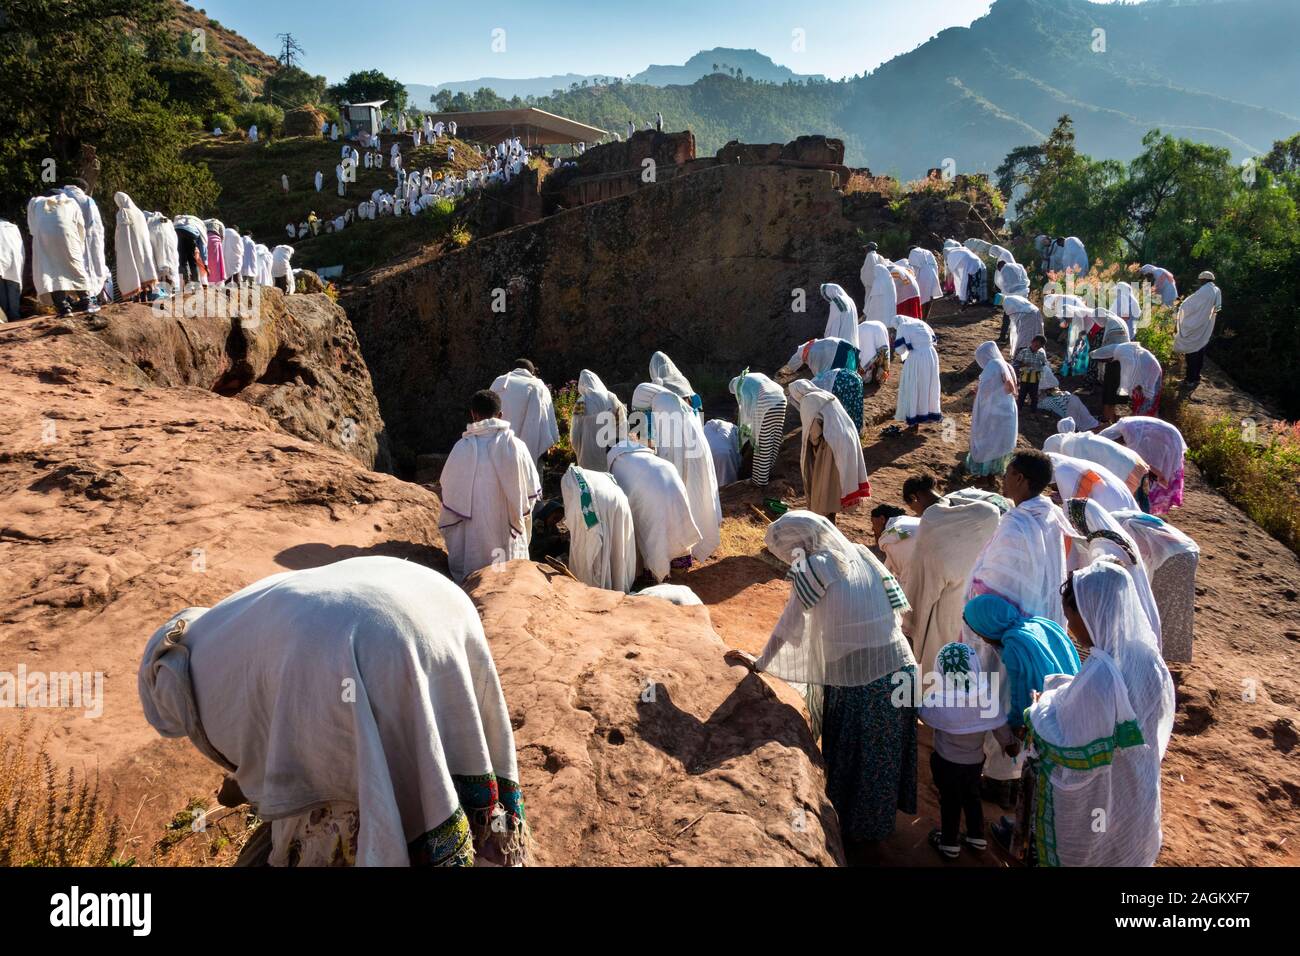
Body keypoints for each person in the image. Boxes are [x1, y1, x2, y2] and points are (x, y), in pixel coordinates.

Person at [138, 556, 529, 867]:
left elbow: (283, 764)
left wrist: (248, 786)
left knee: (342, 811)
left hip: (371, 640)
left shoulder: (203, 691)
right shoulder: (232, 621)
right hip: (435, 602)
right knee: (423, 750)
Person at [725, 512, 917, 844]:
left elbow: (789, 623)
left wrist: (759, 663)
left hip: (863, 681)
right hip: (900, 667)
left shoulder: (816, 566)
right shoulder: (860, 551)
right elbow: (896, 605)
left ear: (800, 544)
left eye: (786, 550)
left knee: (854, 757)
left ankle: (847, 838)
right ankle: (874, 831)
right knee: (880, 757)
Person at [1019, 560, 1173, 866]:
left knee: (1093, 852)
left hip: (1102, 792)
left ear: (1092, 611)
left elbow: (1067, 739)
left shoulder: (1103, 669)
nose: (1070, 627)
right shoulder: (1146, 656)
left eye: (1072, 617)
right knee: (1120, 850)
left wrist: (1037, 709)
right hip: (1136, 784)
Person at [962, 591, 1081, 811]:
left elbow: (1023, 691)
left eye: (979, 633)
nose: (981, 639)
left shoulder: (1014, 646)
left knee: (1030, 754)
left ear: (988, 627)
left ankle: (1006, 793)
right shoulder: (1039, 623)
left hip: (1047, 710)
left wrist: (1017, 721)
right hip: (1070, 697)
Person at [920, 642, 1017, 859]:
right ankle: (976, 836)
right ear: (974, 666)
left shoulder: (939, 700)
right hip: (974, 763)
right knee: (972, 796)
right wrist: (1011, 745)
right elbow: (1002, 731)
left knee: (950, 801)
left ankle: (949, 843)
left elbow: (924, 715)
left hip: (946, 763)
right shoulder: (986, 700)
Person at [438, 389, 542, 583]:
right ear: (501, 415)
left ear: (473, 414)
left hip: (473, 532)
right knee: (508, 578)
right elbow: (531, 492)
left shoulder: (461, 448)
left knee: (475, 580)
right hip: (507, 531)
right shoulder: (517, 446)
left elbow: (449, 489)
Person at [634, 352, 722, 562]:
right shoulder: (689, 390)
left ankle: (681, 552)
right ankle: (696, 544)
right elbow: (698, 418)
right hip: (696, 446)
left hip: (675, 451)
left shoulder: (658, 393)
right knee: (696, 492)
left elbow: (648, 432)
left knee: (677, 495)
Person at [907, 491, 1002, 673]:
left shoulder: (937, 533)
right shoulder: (990, 534)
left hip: (944, 616)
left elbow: (923, 591)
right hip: (974, 622)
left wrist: (914, 627)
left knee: (937, 667)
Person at [1062, 497, 1161, 645]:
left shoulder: (1102, 544)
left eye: (1073, 523)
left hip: (1118, 606)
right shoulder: (1113, 536)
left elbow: (1101, 580)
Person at [607, 440, 701, 582]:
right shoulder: (645, 455)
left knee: (651, 531)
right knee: (675, 520)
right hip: (670, 474)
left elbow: (623, 507)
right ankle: (678, 565)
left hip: (651, 494)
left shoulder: (617, 465)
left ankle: (655, 576)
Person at [789, 379, 870, 521]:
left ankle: (827, 523)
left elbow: (814, 431)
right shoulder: (824, 394)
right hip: (848, 439)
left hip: (831, 445)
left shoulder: (808, 400)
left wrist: (814, 446)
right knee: (837, 482)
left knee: (824, 486)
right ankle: (831, 518)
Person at [561, 464, 637, 593]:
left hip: (591, 501)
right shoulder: (597, 477)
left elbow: (572, 518)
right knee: (617, 546)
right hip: (619, 500)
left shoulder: (568, 482)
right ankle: (617, 586)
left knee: (587, 545)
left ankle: (593, 590)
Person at [1101, 416, 1188, 515]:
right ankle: (1142, 507)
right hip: (1163, 431)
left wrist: (1160, 476)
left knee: (1143, 477)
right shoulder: (1121, 431)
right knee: (1141, 477)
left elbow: (1146, 465)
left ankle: (1142, 511)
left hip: (1165, 436)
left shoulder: (1135, 440)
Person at [27, 189, 92, 315]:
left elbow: (33, 229)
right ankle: (86, 301)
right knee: (75, 267)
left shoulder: (35, 203)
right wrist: (79, 247)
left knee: (51, 270)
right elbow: (80, 226)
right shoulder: (71, 202)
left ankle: (64, 307)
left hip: (45, 239)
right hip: (68, 236)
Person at [1045, 419, 1150, 497]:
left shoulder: (1070, 447)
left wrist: (1065, 496)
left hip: (1124, 470)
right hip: (1133, 461)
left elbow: (1084, 478)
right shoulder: (1077, 439)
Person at [490, 360, 560, 463]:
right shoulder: (538, 386)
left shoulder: (498, 382)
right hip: (528, 453)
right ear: (532, 372)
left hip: (496, 450)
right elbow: (548, 425)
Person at [966, 341, 1018, 477]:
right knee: (999, 441)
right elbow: (1007, 389)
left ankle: (984, 474)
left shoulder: (993, 365)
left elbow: (988, 390)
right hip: (1007, 411)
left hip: (993, 412)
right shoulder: (1007, 366)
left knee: (987, 440)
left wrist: (978, 392)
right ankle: (993, 473)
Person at [729, 370, 787, 486]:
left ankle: (759, 481)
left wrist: (747, 429)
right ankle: (768, 472)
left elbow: (745, 408)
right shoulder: (754, 376)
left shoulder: (739, 384)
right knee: (774, 437)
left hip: (765, 403)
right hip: (781, 400)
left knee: (762, 443)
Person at [61, 180, 109, 305]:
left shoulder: (61, 197)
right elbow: (94, 223)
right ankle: (90, 298)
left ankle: (71, 300)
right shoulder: (87, 200)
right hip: (89, 239)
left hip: (68, 239)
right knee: (90, 268)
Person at [570, 369, 626, 472]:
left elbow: (575, 431)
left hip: (587, 456)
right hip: (610, 452)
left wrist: (577, 449)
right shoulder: (612, 398)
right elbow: (622, 425)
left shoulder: (581, 402)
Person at [892, 316, 942, 430]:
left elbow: (899, 350)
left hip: (917, 358)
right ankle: (926, 413)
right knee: (928, 385)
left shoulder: (903, 327)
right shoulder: (921, 323)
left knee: (914, 385)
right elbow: (933, 340)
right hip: (931, 356)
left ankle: (914, 418)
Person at [1047, 451, 1139, 513]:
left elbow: (1073, 512)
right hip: (1121, 499)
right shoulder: (1074, 464)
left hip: (1112, 507)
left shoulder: (1063, 471)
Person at [1173, 271, 1222, 387]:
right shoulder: (1216, 290)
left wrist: (1181, 306)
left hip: (1195, 326)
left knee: (1191, 353)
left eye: (1200, 280)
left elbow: (1188, 305)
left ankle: (1189, 380)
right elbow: (1217, 308)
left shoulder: (1204, 291)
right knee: (1200, 351)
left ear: (1204, 280)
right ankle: (1196, 378)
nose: (1199, 282)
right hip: (1206, 326)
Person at [1090, 340, 1163, 416]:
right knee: (1140, 401)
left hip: (1153, 372)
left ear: (1108, 356)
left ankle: (1145, 422)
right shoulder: (1119, 349)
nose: (1107, 362)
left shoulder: (1124, 355)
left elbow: (1127, 376)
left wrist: (1123, 392)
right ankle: (1140, 420)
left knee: (1148, 402)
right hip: (1148, 370)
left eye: (1106, 360)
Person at [112, 192, 158, 302]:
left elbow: (122, 232)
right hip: (143, 246)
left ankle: (137, 297)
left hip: (131, 246)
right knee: (144, 269)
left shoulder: (122, 212)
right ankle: (145, 296)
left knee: (133, 268)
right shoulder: (139, 213)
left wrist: (119, 246)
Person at [872, 504, 919, 591]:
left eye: (873, 523)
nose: (872, 528)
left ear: (882, 519)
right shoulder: (915, 520)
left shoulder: (888, 536)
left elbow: (886, 576)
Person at [1002, 295, 1044, 359]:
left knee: (1025, 338)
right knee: (1035, 335)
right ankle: (1034, 356)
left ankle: (1022, 357)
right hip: (1034, 313)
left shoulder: (1007, 302)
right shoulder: (1012, 298)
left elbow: (1012, 315)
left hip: (1027, 316)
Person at [1015, 334, 1049, 412]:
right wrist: (1024, 364)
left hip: (1035, 377)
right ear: (1032, 342)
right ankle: (1018, 409)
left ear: (1041, 347)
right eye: (1036, 344)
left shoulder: (1041, 354)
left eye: (1039, 346)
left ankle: (1033, 411)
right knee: (1022, 394)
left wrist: (1043, 365)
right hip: (1025, 377)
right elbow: (1016, 363)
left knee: (1034, 395)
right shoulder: (1023, 352)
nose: (1036, 347)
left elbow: (1045, 364)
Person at [820, 282, 859, 349]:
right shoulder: (850, 300)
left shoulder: (836, 302)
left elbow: (833, 324)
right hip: (852, 339)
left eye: (826, 295)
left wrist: (827, 339)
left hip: (841, 340)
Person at [0, 218, 24, 322]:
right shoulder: (13, 228)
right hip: (14, 262)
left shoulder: (12, 228)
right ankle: (15, 316)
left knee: (1, 291)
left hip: (3, 261)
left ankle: (5, 318)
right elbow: (20, 248)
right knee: (13, 289)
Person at [907, 247, 942, 317]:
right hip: (933, 275)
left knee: (921, 297)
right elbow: (936, 266)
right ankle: (925, 318)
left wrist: (912, 280)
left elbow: (914, 268)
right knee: (929, 297)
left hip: (923, 275)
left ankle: (920, 317)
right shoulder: (928, 252)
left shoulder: (913, 252)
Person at [856, 317, 891, 386]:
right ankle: (879, 377)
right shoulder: (860, 328)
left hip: (865, 329)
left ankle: (867, 377)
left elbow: (863, 351)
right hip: (880, 328)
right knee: (881, 355)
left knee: (866, 353)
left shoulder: (859, 329)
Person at [859, 242, 886, 306]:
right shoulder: (880, 257)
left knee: (869, 302)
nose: (865, 250)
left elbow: (868, 272)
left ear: (869, 248)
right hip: (879, 284)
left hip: (870, 284)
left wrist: (866, 282)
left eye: (866, 248)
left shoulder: (870, 256)